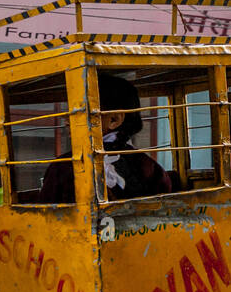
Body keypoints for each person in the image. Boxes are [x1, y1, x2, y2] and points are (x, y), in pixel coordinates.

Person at [36, 73, 171, 203]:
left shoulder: (63, 168)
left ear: (114, 119)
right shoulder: (150, 166)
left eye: (78, 111)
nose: (66, 119)